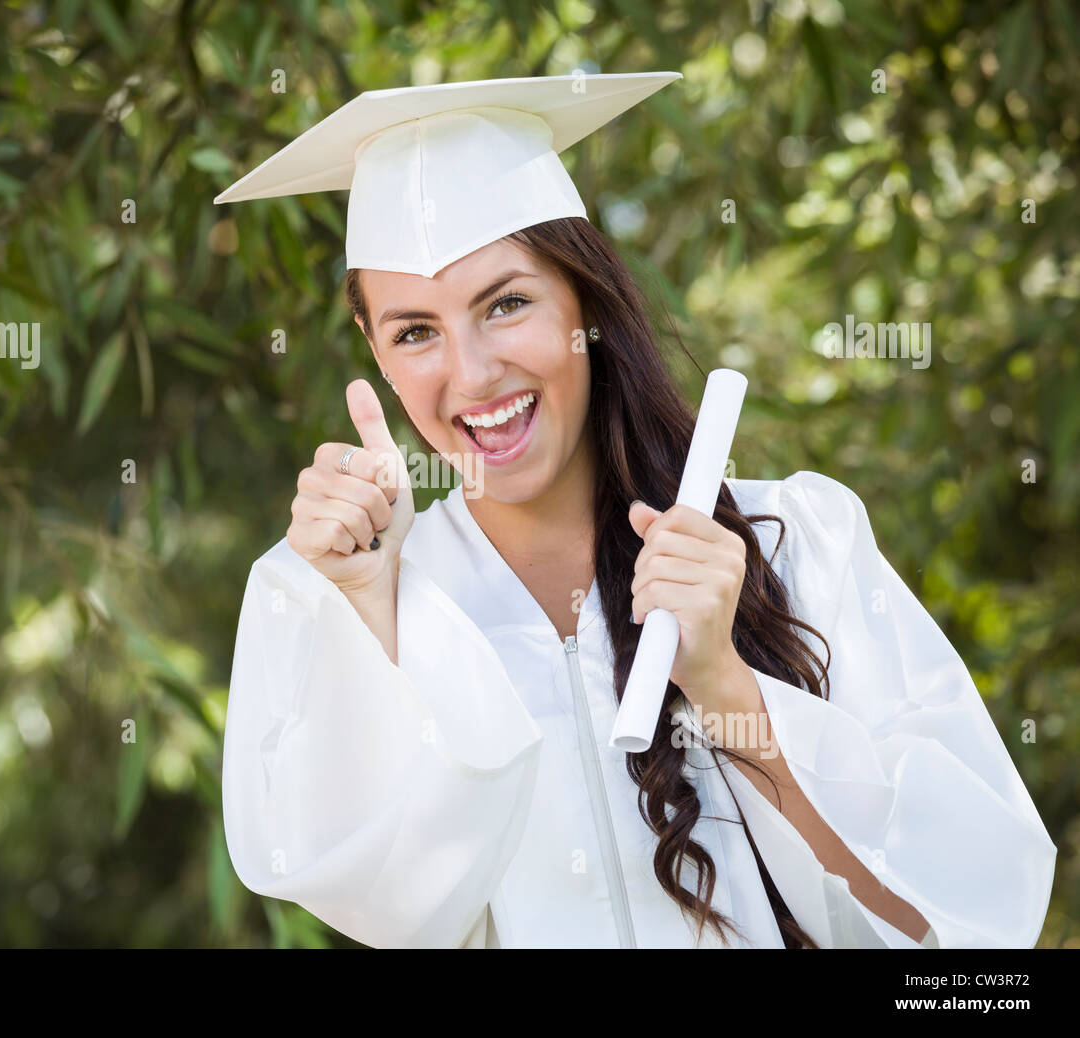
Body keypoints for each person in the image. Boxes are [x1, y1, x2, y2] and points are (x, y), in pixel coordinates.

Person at [213, 74, 1057, 949]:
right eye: (415, 331)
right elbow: (380, 909)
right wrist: (372, 612)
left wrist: (727, 685)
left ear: (587, 300)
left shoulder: (798, 544)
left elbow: (971, 928)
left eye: (507, 304)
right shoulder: (350, 591)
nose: (470, 376)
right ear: (375, 354)